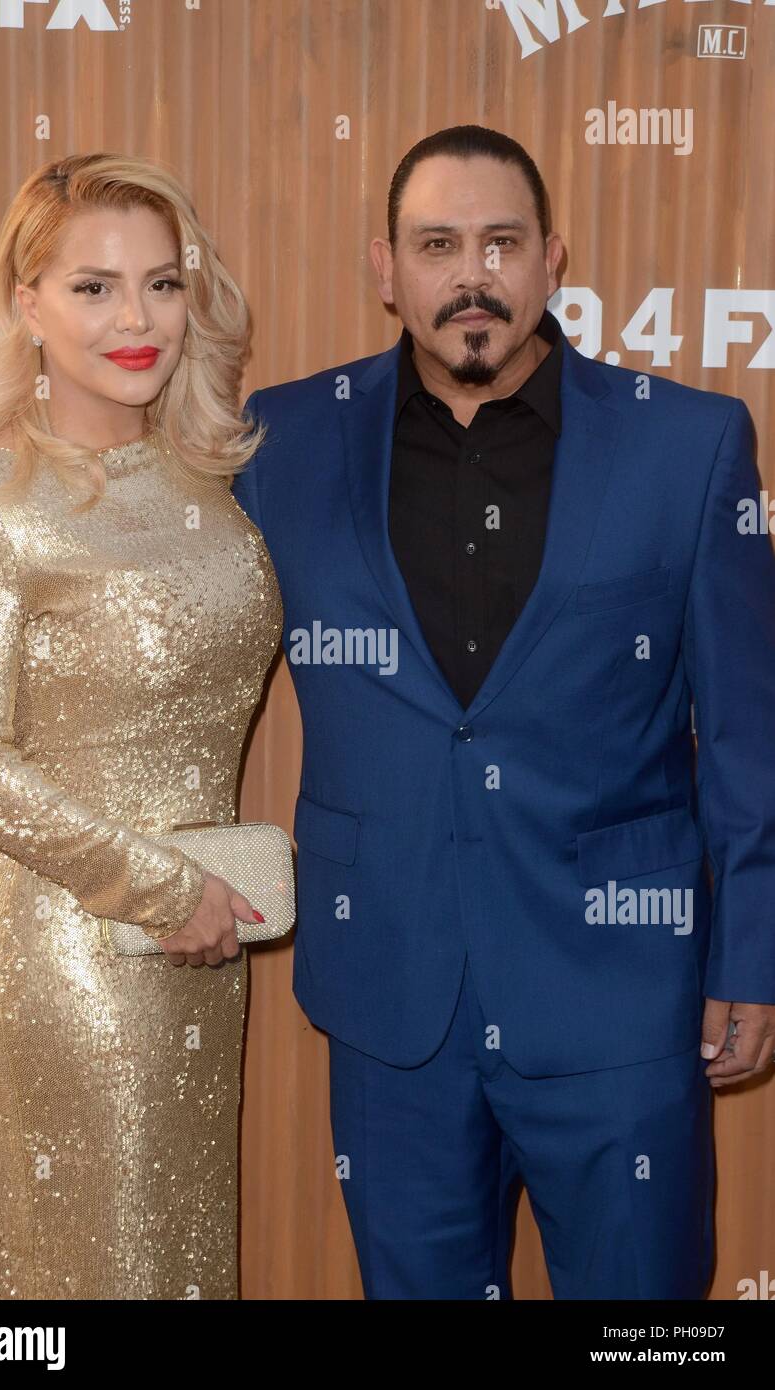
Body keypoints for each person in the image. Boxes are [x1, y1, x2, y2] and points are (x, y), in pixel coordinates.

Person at [232, 124, 775, 1299]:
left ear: (552, 259)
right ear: (386, 269)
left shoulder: (689, 443)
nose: (471, 275)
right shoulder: (282, 445)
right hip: (391, 999)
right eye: (437, 245)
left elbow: (743, 731)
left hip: (623, 996)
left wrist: (753, 951)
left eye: (500, 243)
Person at [0, 153, 282, 1299]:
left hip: (196, 935)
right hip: (64, 941)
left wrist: (187, 899)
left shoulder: (203, 477)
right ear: (26, 304)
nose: (138, 319)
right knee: (96, 1270)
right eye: (93, 287)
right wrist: (158, 890)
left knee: (176, 1258)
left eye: (162, 284)